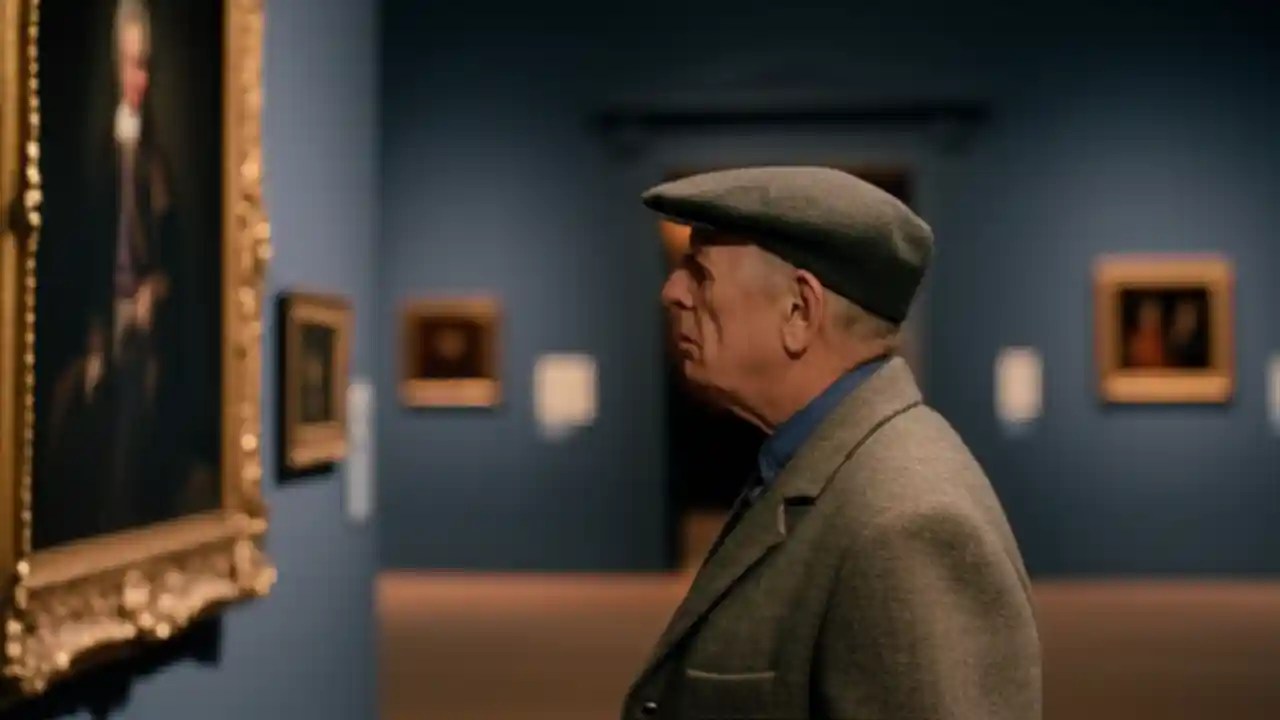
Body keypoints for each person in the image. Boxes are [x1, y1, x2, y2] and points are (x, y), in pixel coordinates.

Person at [622, 167, 1041, 719]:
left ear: (799, 311)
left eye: (700, 274)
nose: (672, 292)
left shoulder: (903, 525)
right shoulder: (818, 465)